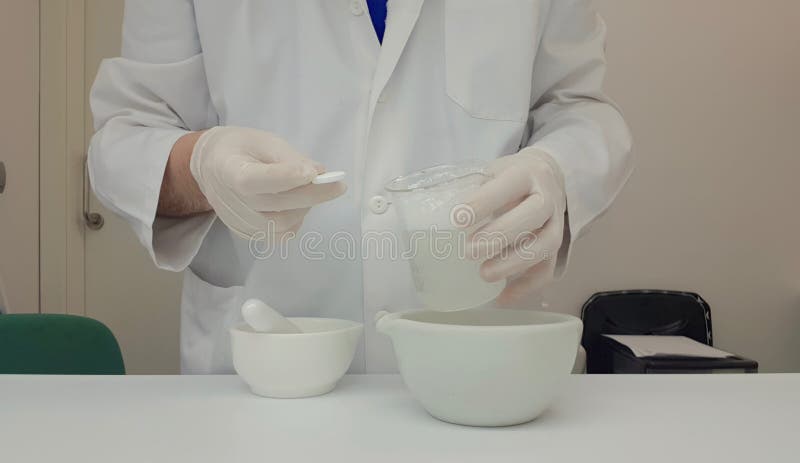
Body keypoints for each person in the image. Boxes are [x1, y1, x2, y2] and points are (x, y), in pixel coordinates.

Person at [89, 0, 632, 373]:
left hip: (484, 370)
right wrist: (199, 164)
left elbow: (579, 108)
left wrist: (559, 171)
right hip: (264, 378)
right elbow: (127, 135)